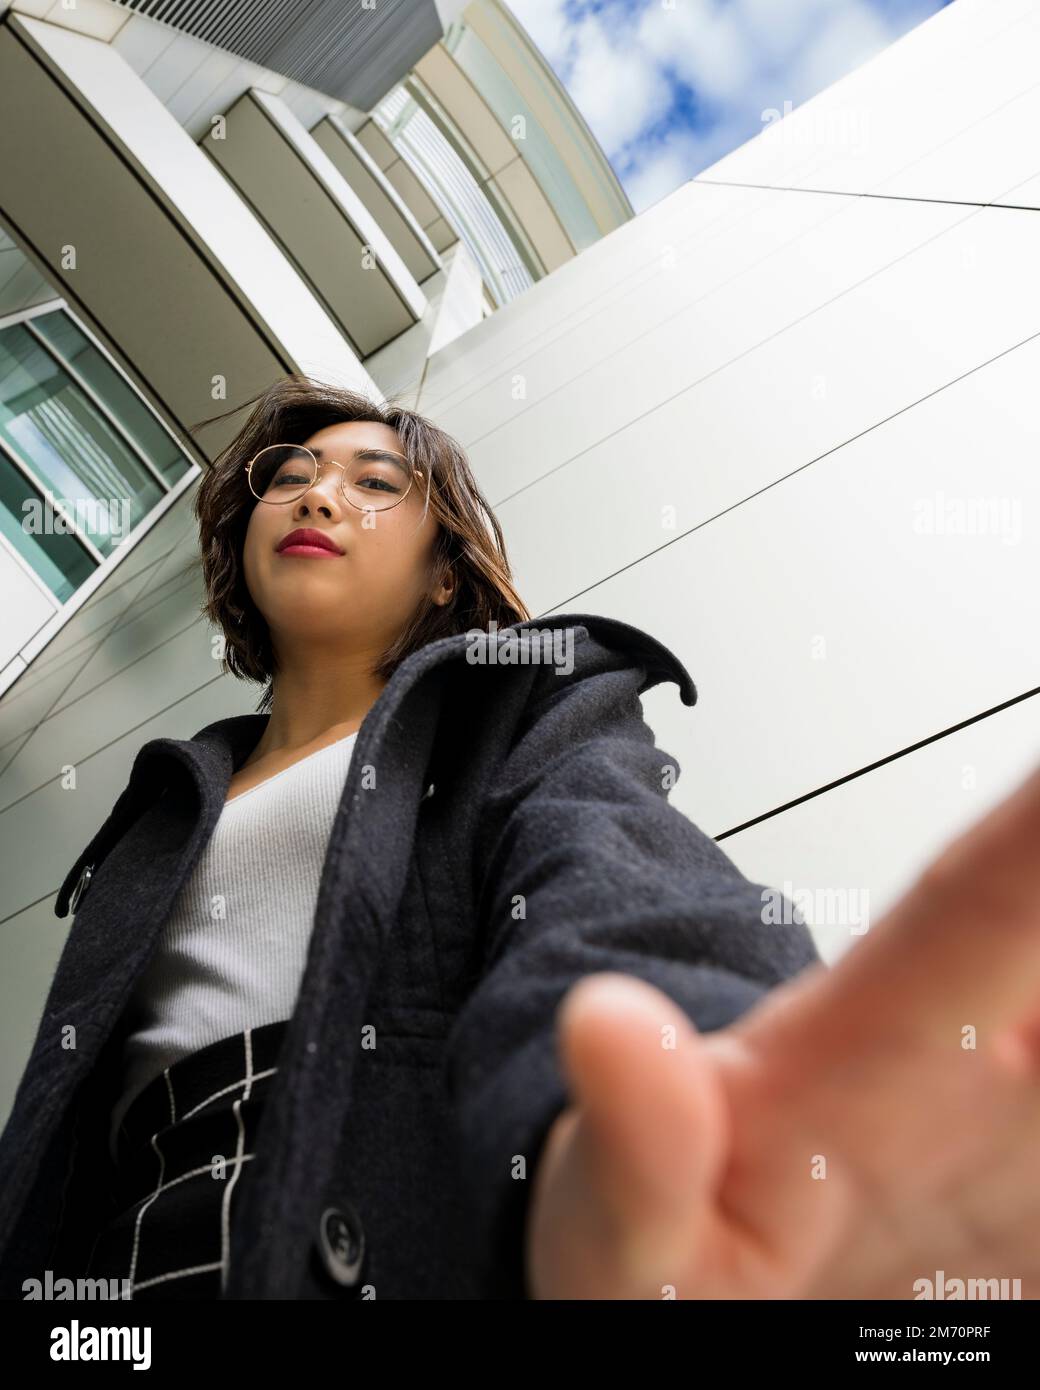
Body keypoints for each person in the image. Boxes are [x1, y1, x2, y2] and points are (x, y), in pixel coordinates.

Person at [2, 373, 1039, 1301]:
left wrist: (672, 1102)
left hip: (382, 1217)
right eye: (292, 475)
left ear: (443, 572)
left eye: (375, 484)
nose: (318, 495)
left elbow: (611, 874)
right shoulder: (165, 801)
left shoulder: (520, 705)